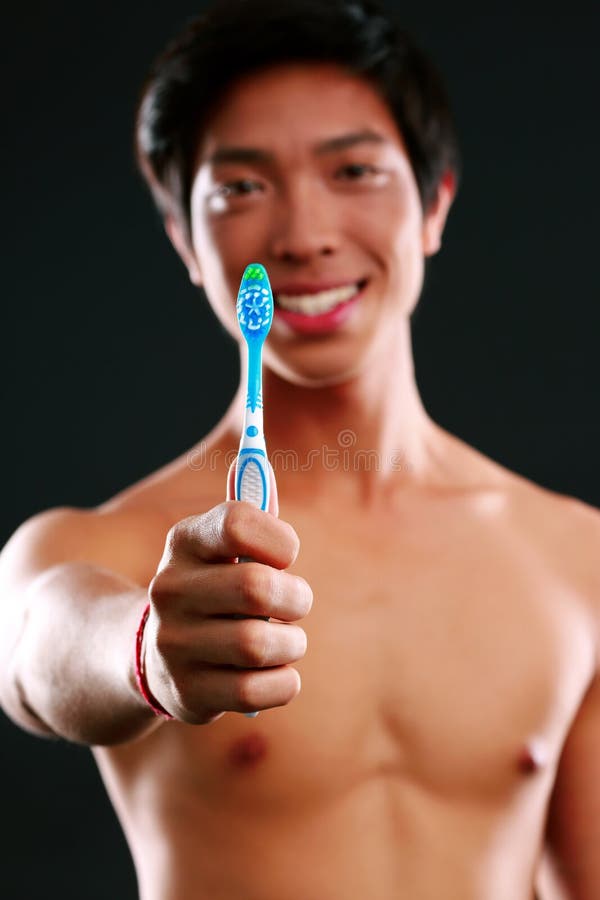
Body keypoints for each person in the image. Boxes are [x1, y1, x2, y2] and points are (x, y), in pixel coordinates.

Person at [1, 0, 598, 897]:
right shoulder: (107, 549)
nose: (305, 236)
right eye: (240, 187)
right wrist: (149, 654)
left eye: (354, 169)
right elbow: (36, 648)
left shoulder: (579, 558)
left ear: (434, 204)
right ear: (185, 241)